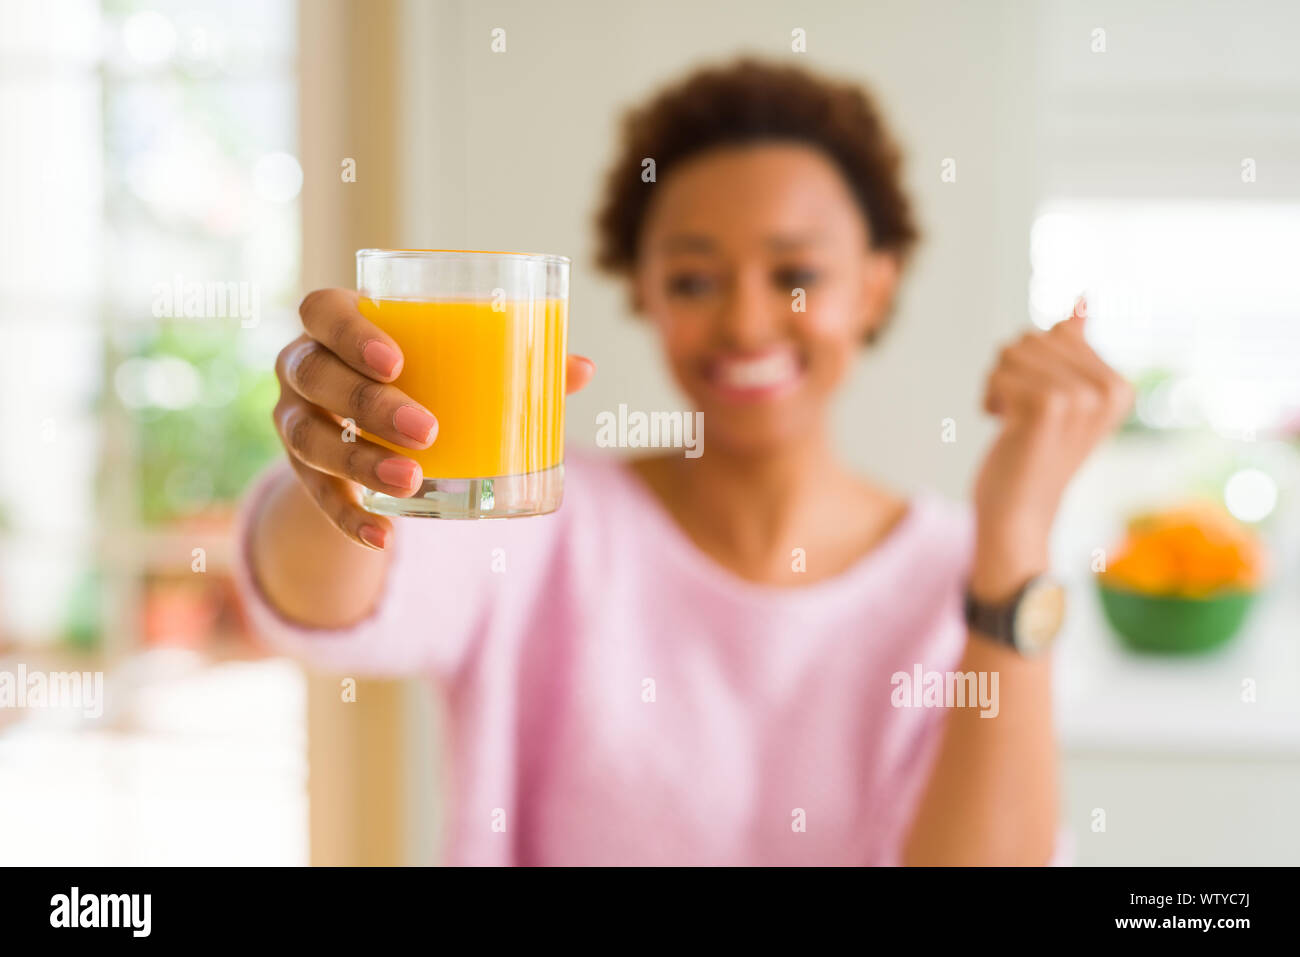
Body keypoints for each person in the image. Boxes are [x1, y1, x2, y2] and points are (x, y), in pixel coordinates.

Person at [234, 57, 1133, 865]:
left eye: (797, 274)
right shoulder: (542, 514)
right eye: (695, 279)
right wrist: (335, 473)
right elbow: (320, 591)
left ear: (875, 284)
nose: (745, 323)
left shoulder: (963, 580)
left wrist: (1014, 540)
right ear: (645, 293)